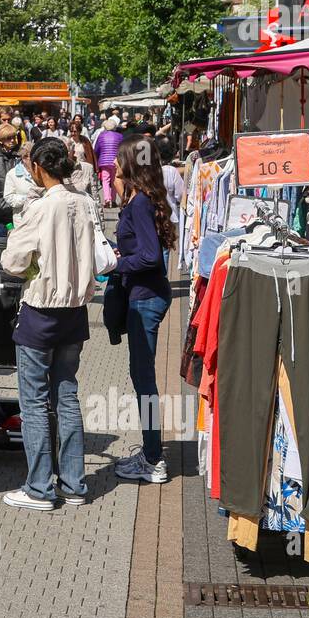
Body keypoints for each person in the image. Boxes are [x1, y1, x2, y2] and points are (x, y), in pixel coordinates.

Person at [0, 137, 99, 509]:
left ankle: (39, 487)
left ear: (40, 168)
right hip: (75, 311)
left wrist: (30, 265)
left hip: (41, 310)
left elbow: (12, 260)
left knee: (35, 402)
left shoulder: (42, 208)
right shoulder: (85, 203)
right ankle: (73, 484)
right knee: (67, 395)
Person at [112, 134, 176, 485]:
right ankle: (152, 453)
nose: (116, 165)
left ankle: (153, 460)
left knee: (143, 379)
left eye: (121, 159)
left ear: (132, 164)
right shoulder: (143, 199)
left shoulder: (139, 203)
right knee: (142, 378)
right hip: (149, 295)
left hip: (146, 297)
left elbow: (151, 257)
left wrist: (116, 265)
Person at [157, 136, 185, 275]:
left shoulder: (150, 169)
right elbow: (181, 195)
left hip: (151, 214)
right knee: (165, 249)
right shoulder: (171, 171)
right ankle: (163, 279)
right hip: (169, 214)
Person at [4, 139, 44, 219]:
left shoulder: (42, 170)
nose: (29, 159)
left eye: (31, 156)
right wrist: (26, 198)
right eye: (25, 156)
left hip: (41, 215)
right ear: (22, 157)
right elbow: (8, 197)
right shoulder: (12, 174)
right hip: (22, 218)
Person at [93, 116, 124, 208]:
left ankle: (107, 199)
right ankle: (113, 200)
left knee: (105, 180)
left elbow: (96, 149)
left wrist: (98, 158)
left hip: (104, 161)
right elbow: (122, 148)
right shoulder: (119, 136)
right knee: (114, 179)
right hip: (115, 161)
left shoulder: (101, 135)